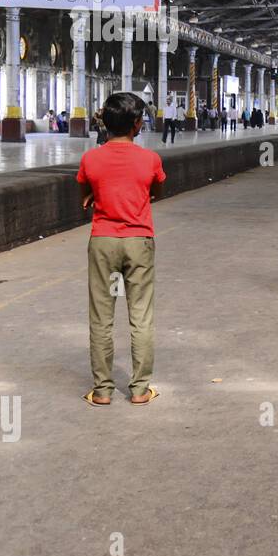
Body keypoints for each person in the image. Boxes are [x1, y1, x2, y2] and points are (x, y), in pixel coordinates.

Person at [77, 92, 166, 405]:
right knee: (140, 316)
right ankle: (140, 389)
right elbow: (156, 188)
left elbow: (85, 190)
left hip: (102, 240)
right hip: (138, 241)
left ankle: (102, 391)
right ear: (137, 125)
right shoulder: (149, 159)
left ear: (104, 122)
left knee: (101, 317)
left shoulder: (90, 158)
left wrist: (95, 195)